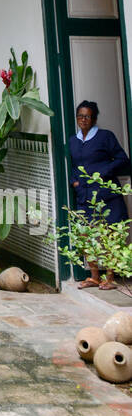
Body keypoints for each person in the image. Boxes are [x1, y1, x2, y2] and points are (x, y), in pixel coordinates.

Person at [67, 101, 131, 289]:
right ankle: (94, 276)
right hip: (84, 195)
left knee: (110, 235)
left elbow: (122, 159)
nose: (83, 120)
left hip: (106, 194)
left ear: (94, 119)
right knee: (86, 235)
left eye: (87, 116)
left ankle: (110, 278)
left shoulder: (105, 137)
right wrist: (74, 181)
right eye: (80, 116)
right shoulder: (73, 140)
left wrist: (103, 172)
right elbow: (73, 165)